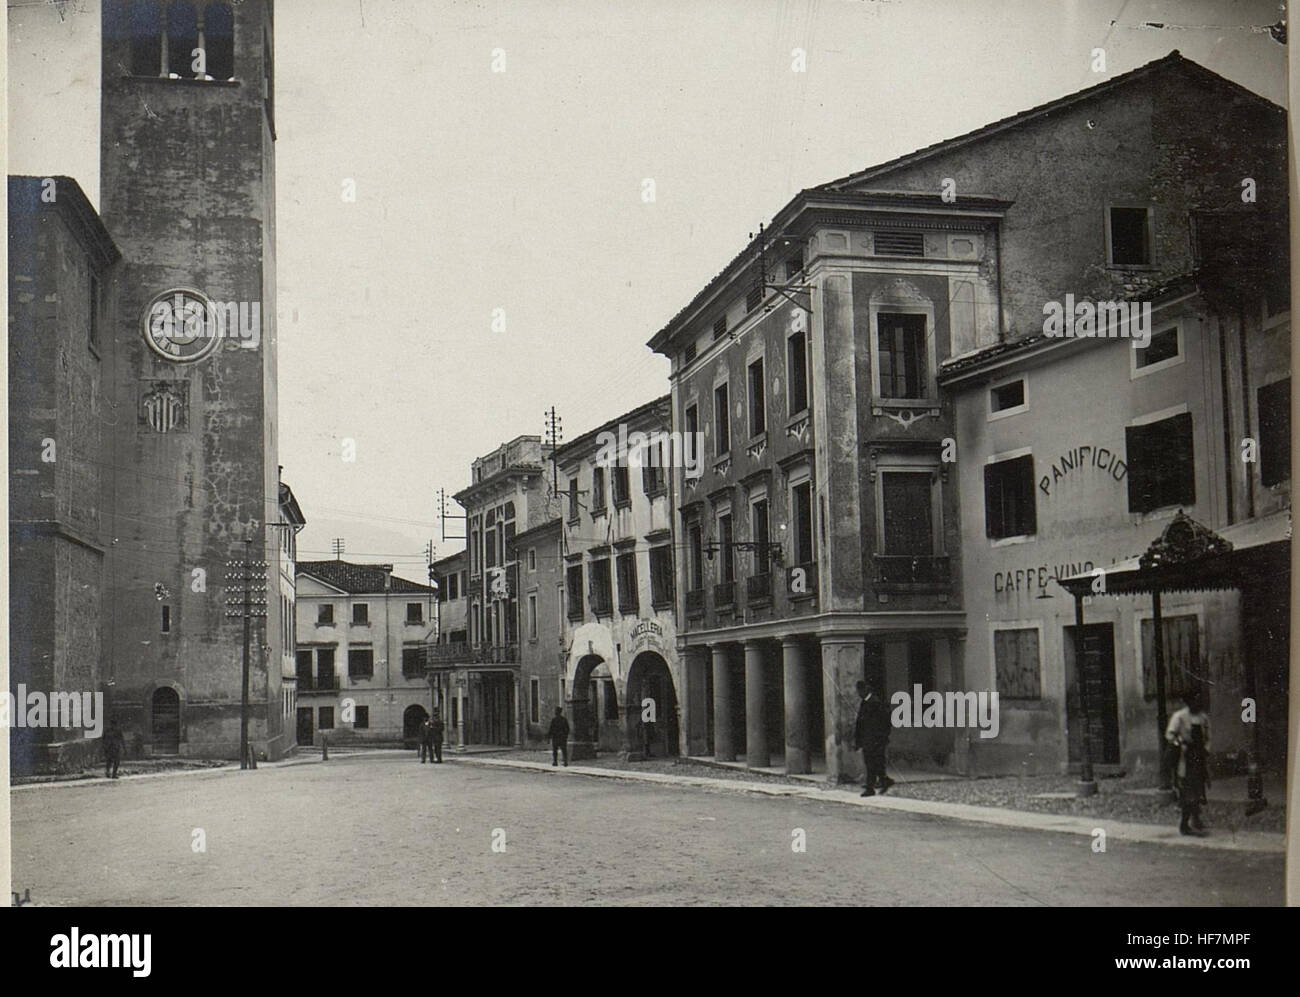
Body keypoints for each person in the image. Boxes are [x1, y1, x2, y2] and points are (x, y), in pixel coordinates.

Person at [1167, 689, 1210, 835]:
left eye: (1199, 699)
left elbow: (1208, 736)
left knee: (1198, 789)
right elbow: (1170, 735)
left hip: (1199, 756)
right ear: (1188, 702)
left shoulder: (1203, 717)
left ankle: (1196, 820)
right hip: (1185, 757)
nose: (1197, 703)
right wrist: (1181, 744)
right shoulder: (1179, 717)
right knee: (1187, 792)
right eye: (1194, 700)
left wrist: (1206, 749)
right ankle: (1184, 825)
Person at [852, 679, 893, 797]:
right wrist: (858, 741)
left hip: (875, 740)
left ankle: (870, 788)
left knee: (871, 763)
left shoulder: (876, 702)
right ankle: (883, 781)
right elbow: (860, 724)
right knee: (875, 763)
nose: (859, 693)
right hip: (868, 739)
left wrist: (882, 737)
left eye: (860, 690)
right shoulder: (865, 702)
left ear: (866, 689)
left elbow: (885, 721)